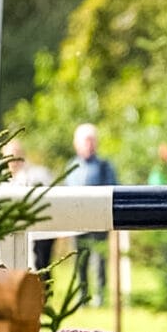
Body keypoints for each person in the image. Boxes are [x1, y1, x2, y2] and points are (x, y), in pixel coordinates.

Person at [65, 123, 118, 307]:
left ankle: (100, 295)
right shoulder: (71, 166)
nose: (89, 144)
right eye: (86, 141)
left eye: (92, 140)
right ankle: (82, 295)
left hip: (99, 220)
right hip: (77, 220)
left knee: (100, 259)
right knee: (80, 259)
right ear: (77, 144)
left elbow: (113, 189)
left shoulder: (104, 166)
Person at [4, 136, 55, 274]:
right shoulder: (3, 179)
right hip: (12, 232)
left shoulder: (37, 174)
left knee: (42, 267)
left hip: (41, 231)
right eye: (10, 156)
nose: (14, 160)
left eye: (17, 155)